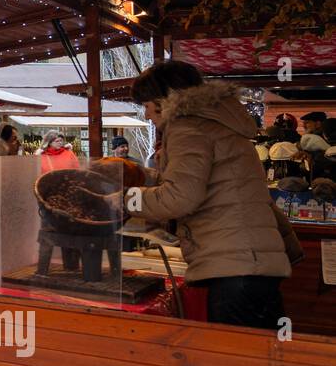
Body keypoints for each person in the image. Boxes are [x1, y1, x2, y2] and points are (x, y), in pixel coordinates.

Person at [128, 61, 303, 329]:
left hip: (235, 269)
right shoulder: (216, 123)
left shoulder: (188, 127)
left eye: (146, 105)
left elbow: (180, 197)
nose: (147, 113)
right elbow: (221, 187)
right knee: (262, 359)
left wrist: (125, 199)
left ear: (162, 98)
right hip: (252, 264)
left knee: (237, 361)